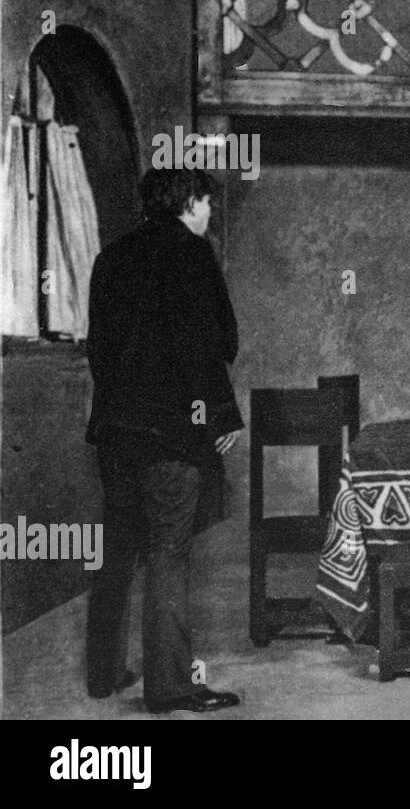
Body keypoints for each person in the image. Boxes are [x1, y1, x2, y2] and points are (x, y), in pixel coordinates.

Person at [84, 166, 242, 714]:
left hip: (115, 431)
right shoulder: (192, 253)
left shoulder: (111, 258)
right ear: (189, 203)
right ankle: (171, 686)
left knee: (117, 550)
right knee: (168, 555)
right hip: (171, 433)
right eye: (206, 202)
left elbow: (98, 352)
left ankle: (103, 674)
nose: (210, 213)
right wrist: (220, 417)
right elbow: (214, 341)